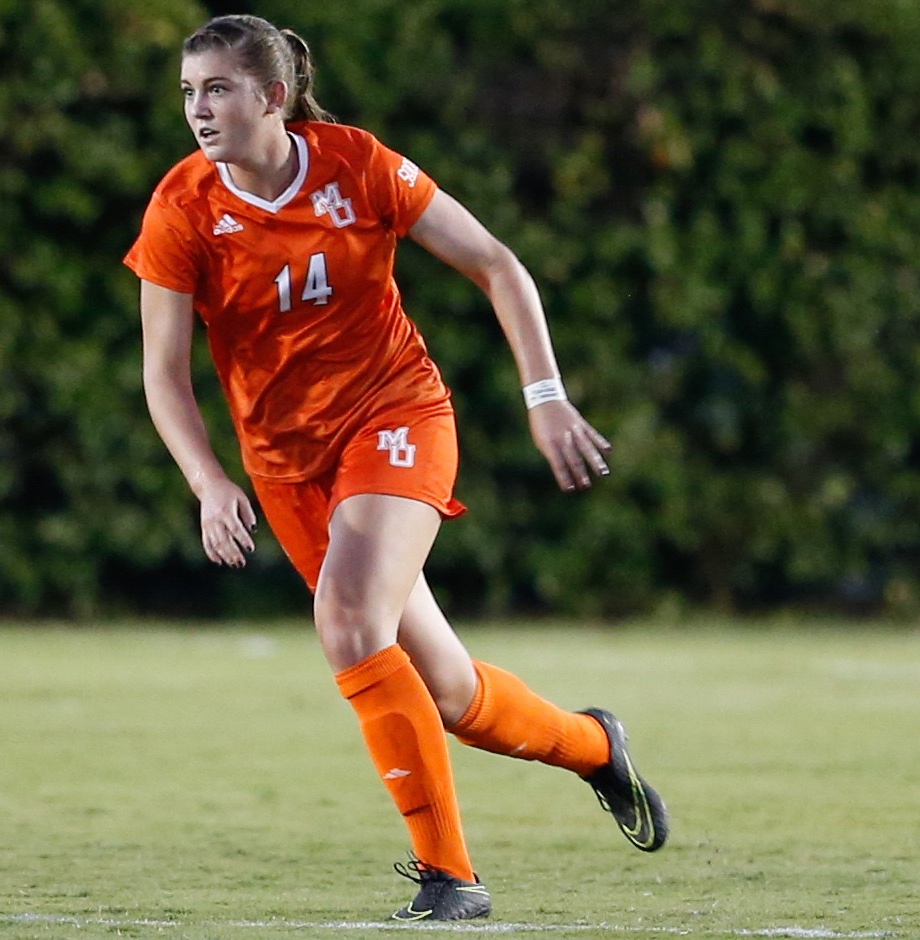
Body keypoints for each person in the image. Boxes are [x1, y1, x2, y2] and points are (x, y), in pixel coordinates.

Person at [123, 14, 669, 922]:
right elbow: (163, 376)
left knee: (346, 618)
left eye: (217, 88)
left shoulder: (357, 165)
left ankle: (452, 877)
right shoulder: (182, 206)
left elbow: (498, 265)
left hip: (395, 416)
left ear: (273, 96)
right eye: (188, 92)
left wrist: (545, 398)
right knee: (451, 695)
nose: (199, 110)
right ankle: (591, 745)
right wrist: (210, 481)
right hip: (286, 465)